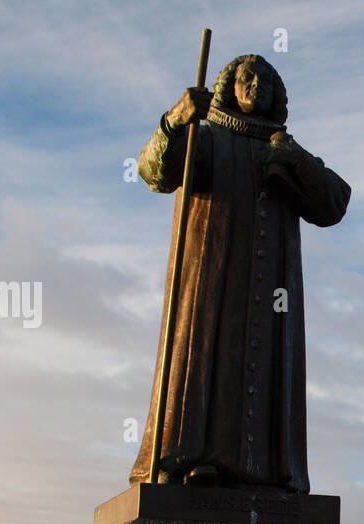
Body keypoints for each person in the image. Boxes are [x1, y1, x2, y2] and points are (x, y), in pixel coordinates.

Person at [130, 54, 351, 491]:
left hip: (272, 289)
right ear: (228, 85)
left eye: (266, 81)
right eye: (247, 77)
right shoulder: (205, 138)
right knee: (205, 356)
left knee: (264, 364)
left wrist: (297, 158)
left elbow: (335, 203)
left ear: (277, 97)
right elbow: (152, 171)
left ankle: (263, 470)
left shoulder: (282, 150)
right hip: (211, 277)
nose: (255, 85)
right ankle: (188, 459)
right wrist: (175, 121)